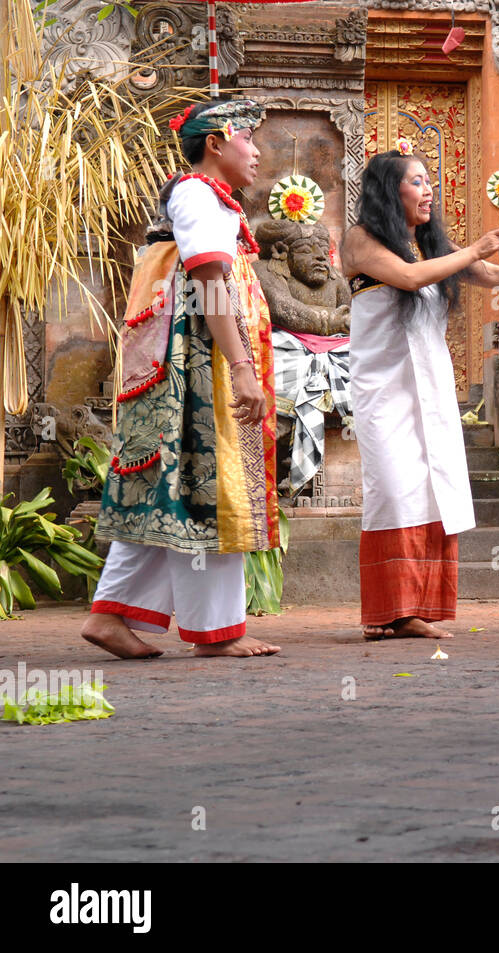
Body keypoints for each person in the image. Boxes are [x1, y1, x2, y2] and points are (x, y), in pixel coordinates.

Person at [341, 141, 499, 640]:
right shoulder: (361, 240)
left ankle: (415, 610)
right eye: (417, 182)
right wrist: (472, 249)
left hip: (429, 388)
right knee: (392, 489)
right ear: (391, 191)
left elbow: (491, 273)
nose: (428, 191)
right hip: (383, 390)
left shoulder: (429, 246)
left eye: (429, 181)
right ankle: (387, 610)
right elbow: (409, 279)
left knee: (430, 488)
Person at [82, 98, 282, 659]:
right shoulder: (198, 192)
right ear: (215, 144)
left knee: (166, 490)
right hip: (198, 366)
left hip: (189, 360)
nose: (257, 149)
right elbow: (210, 279)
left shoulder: (204, 197)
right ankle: (216, 632)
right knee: (207, 484)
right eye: (247, 137)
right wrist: (242, 368)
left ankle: (111, 614)